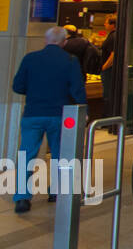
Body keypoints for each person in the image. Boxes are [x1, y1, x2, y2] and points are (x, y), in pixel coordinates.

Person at [12, 27, 87, 213]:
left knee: (27, 155)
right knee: (60, 154)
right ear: (64, 42)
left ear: (46, 40)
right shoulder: (70, 60)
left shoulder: (30, 58)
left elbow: (17, 85)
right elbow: (77, 89)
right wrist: (83, 110)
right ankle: (55, 191)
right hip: (59, 115)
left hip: (33, 113)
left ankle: (22, 198)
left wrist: (34, 92)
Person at [100, 14, 119, 121]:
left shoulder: (113, 36)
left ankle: (106, 119)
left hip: (109, 71)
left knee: (107, 94)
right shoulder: (114, 35)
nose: (104, 24)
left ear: (112, 25)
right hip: (109, 70)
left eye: (106, 23)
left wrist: (104, 67)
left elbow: (113, 54)